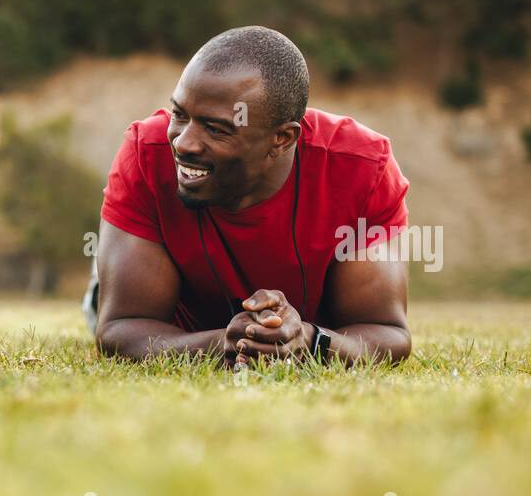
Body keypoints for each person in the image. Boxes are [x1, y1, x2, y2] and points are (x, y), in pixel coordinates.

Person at [90, 26, 413, 367]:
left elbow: (387, 332)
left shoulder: (362, 166)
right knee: (103, 301)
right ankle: (98, 281)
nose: (183, 143)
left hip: (305, 325)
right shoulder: (146, 152)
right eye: (180, 115)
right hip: (177, 324)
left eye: (215, 129)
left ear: (283, 139)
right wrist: (226, 342)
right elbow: (119, 329)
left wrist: (308, 339)